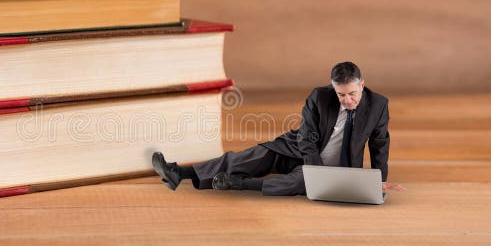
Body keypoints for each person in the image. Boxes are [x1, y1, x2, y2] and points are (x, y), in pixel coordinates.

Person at [153, 61, 405, 195]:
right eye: (341, 95)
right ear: (333, 88)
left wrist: (378, 181)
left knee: (298, 183)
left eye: (352, 94)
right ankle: (179, 173)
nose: (347, 100)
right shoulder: (319, 97)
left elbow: (380, 145)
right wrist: (316, 169)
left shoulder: (378, 105)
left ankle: (239, 184)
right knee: (251, 157)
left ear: (362, 85)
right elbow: (306, 137)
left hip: (338, 168)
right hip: (299, 150)